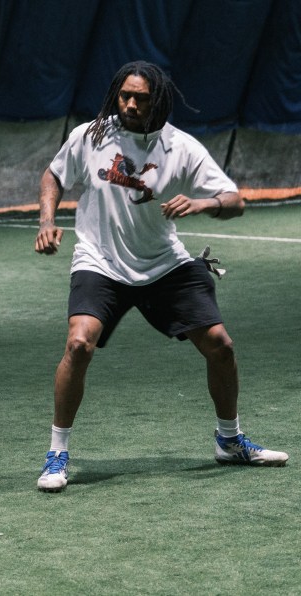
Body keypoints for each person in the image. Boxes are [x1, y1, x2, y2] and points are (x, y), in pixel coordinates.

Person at [34, 60, 288, 493]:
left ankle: (229, 440)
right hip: (101, 261)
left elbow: (235, 200)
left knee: (221, 347)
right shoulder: (91, 135)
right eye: (125, 95)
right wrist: (46, 220)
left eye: (141, 98)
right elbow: (54, 176)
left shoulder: (180, 146)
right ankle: (57, 453)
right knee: (79, 343)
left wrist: (202, 204)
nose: (131, 104)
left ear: (159, 100)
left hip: (164, 264)